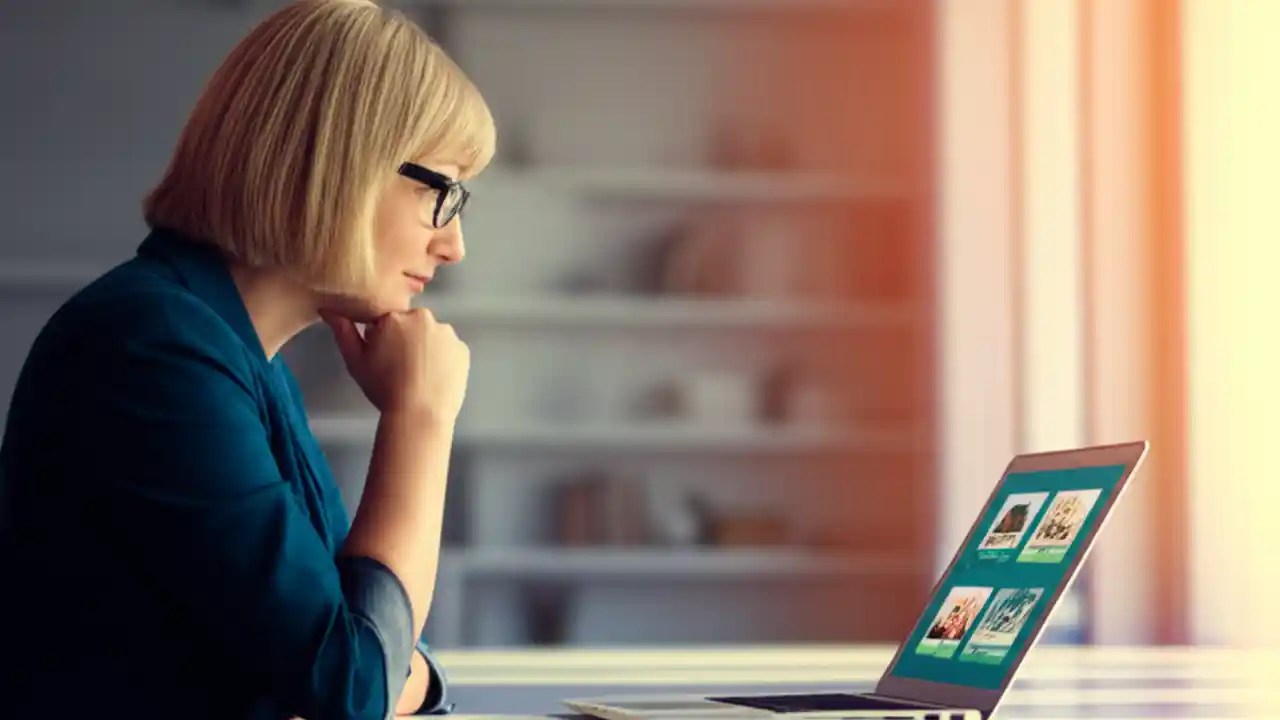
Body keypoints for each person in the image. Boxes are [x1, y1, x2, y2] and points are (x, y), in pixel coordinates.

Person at [0, 1, 495, 718]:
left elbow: (355, 651)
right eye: (439, 193)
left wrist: (386, 673)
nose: (453, 246)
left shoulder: (243, 362)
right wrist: (421, 416)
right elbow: (354, 685)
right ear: (339, 160)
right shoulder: (155, 347)